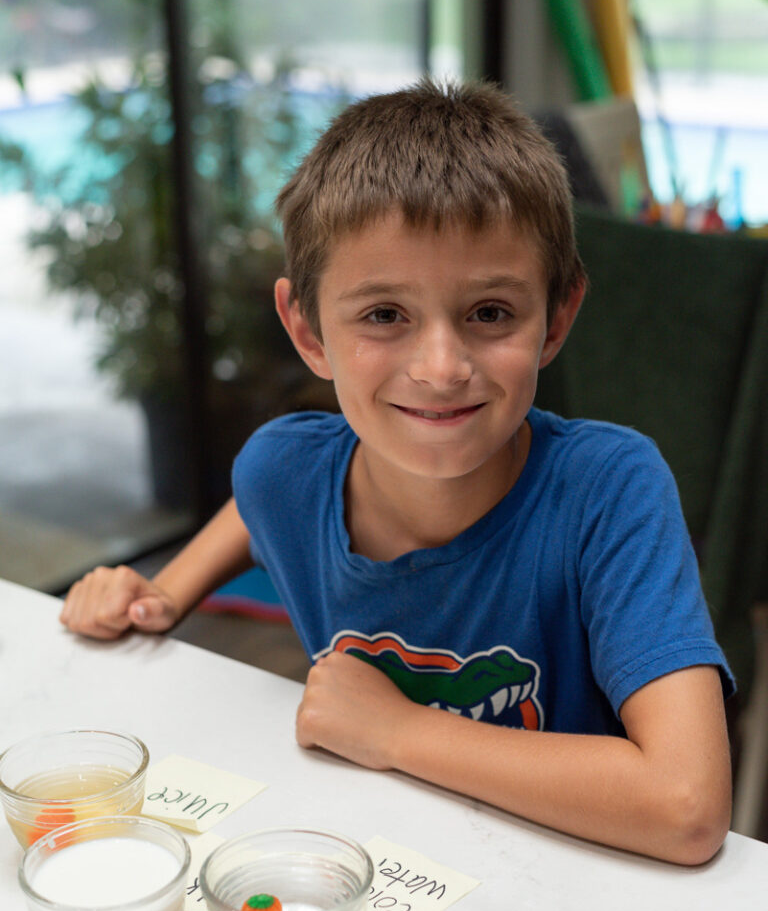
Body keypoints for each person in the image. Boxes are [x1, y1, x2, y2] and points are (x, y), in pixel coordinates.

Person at [60, 80, 733, 865]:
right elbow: (263, 497)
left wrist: (400, 731)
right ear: (307, 331)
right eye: (385, 315)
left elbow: (686, 806)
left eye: (489, 313)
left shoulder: (610, 488)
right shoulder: (285, 466)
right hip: (374, 877)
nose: (442, 369)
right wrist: (165, 592)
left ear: (558, 316)